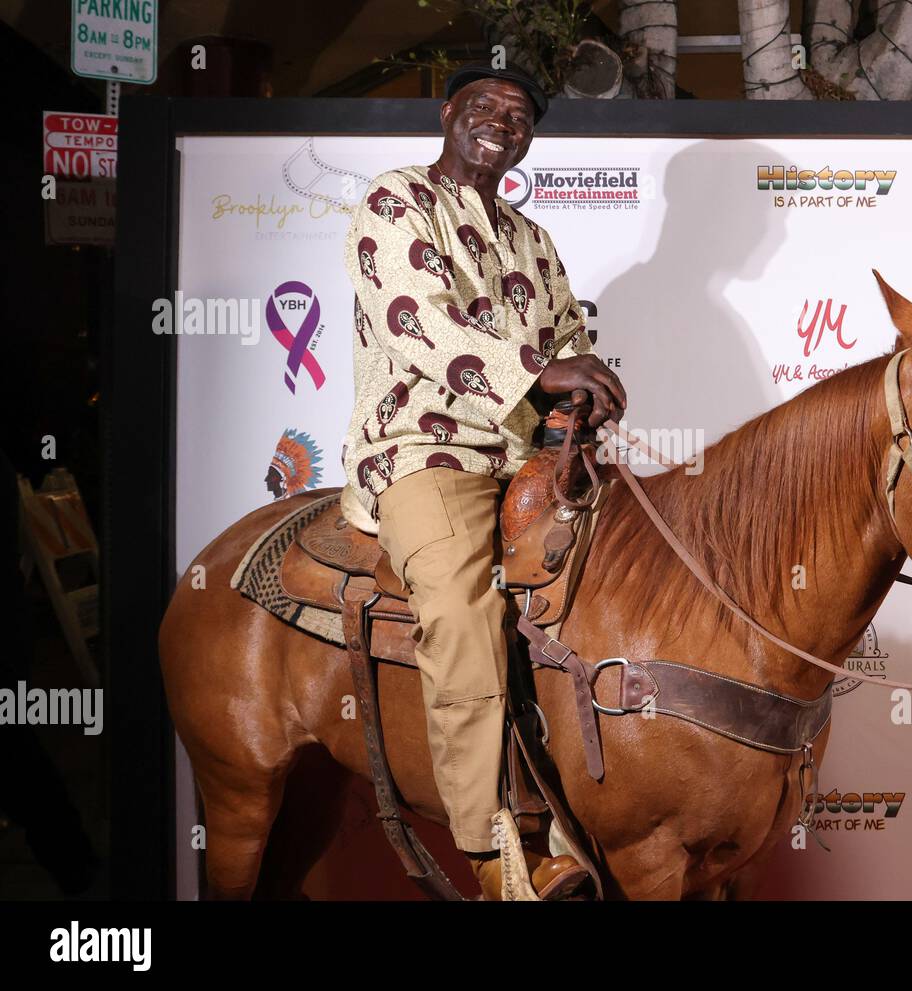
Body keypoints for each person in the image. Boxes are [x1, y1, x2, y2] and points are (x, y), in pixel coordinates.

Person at [341, 64, 627, 899]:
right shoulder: (395, 202)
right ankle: (491, 852)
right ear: (447, 114)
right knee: (465, 612)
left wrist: (590, 388)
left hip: (526, 466)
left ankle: (609, 806)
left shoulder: (532, 239)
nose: (505, 119)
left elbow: (570, 329)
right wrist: (542, 372)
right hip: (426, 453)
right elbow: (417, 321)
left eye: (521, 115)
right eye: (486, 106)